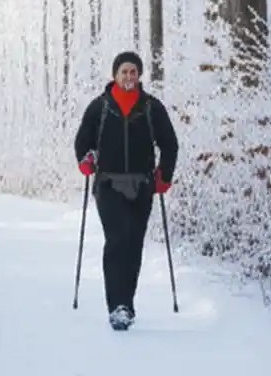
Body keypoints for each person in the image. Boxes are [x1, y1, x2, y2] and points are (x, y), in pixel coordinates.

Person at [73, 50, 179, 330]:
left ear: (139, 75)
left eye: (133, 72)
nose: (129, 76)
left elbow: (170, 144)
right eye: (124, 71)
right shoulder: (99, 107)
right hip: (108, 184)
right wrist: (85, 161)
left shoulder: (152, 107)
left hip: (142, 185)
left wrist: (164, 176)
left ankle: (127, 306)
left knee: (133, 244)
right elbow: (82, 142)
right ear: (115, 74)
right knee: (118, 239)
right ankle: (116, 306)